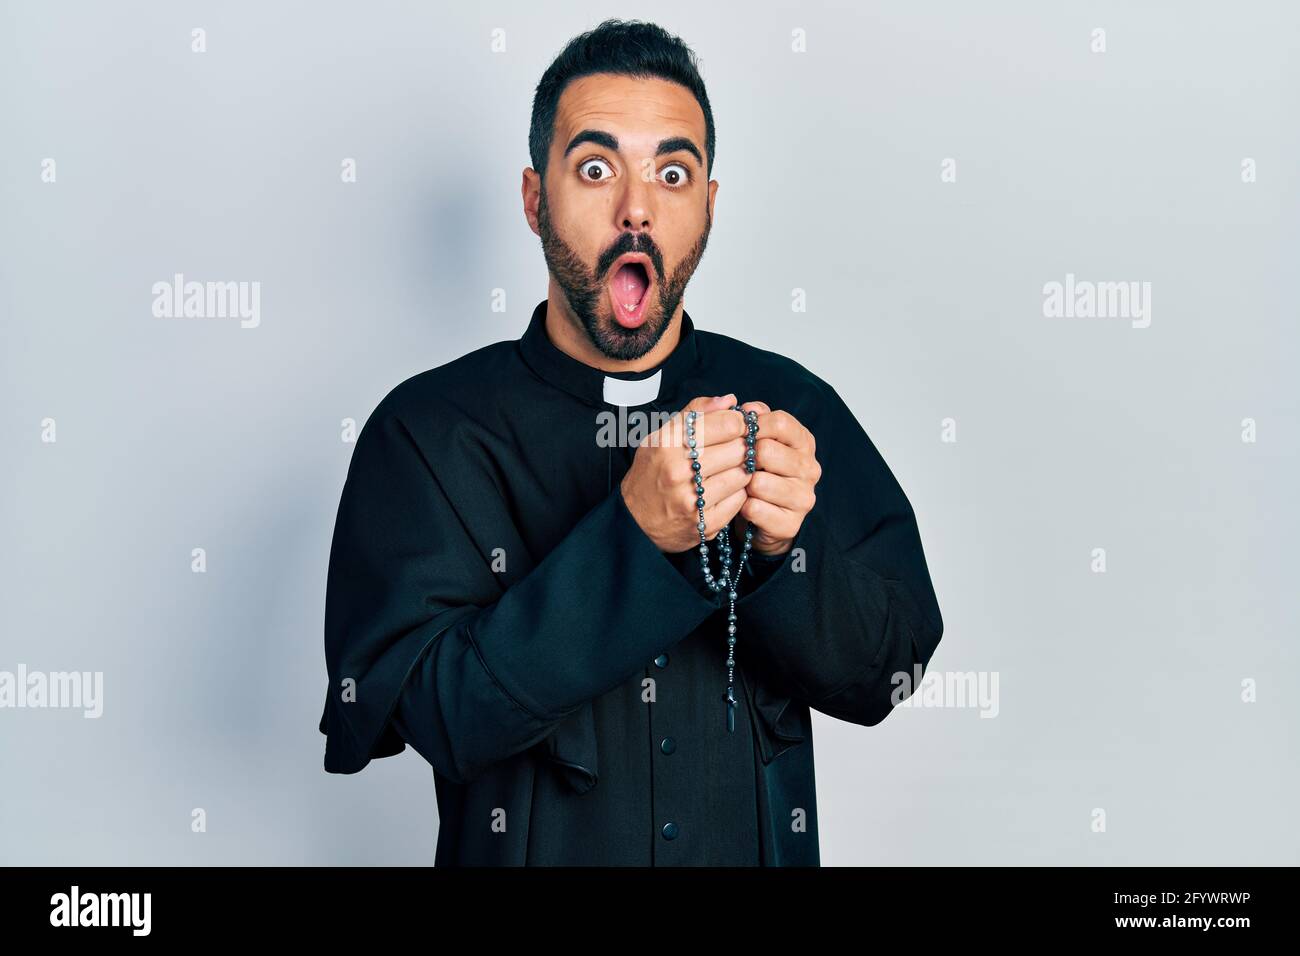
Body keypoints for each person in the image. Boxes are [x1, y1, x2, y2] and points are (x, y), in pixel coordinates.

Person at [318, 18, 944, 866]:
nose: (637, 207)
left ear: (710, 206)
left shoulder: (794, 408)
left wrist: (780, 559)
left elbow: (886, 675)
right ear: (536, 197)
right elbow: (439, 717)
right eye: (597, 167)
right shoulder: (426, 433)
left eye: (673, 173)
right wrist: (636, 539)